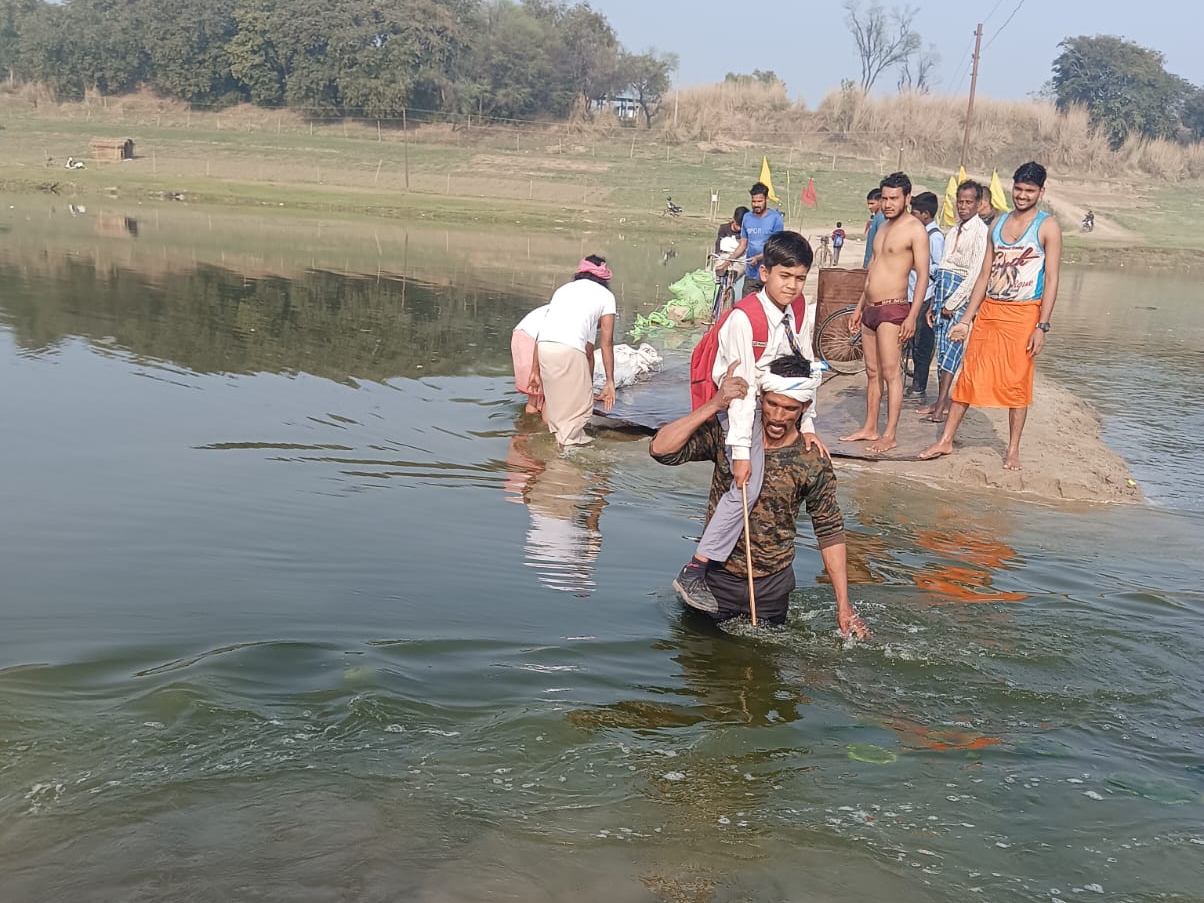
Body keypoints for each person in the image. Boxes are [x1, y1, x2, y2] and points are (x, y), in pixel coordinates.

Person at [651, 354, 868, 638]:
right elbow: (661, 450)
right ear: (761, 397)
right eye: (772, 404)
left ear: (805, 406)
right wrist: (716, 404)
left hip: (771, 588)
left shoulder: (811, 459)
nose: (778, 417)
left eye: (789, 409)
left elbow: (829, 530)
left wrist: (844, 605)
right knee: (700, 667)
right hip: (714, 582)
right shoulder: (732, 437)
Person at [673, 232, 828, 614]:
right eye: (784, 276)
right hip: (741, 405)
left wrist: (808, 424)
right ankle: (697, 568)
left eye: (800, 278)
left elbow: (806, 365)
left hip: (780, 398)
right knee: (750, 482)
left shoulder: (801, 310)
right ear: (764, 271)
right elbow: (740, 393)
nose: (792, 286)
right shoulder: (745, 320)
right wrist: (740, 452)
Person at [919, 161, 1063, 470]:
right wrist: (965, 319)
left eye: (1030, 191)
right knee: (969, 375)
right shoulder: (996, 225)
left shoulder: (1047, 226)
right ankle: (945, 441)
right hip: (990, 312)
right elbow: (984, 274)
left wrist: (1042, 326)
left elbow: (1051, 279)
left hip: (1024, 314)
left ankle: (1012, 450)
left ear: (1041, 191)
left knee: (1018, 383)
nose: (1022, 196)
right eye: (1019, 189)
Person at [840, 172, 930, 454]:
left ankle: (890, 433)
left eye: (894, 198)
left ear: (907, 198)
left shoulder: (915, 230)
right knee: (871, 372)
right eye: (884, 198)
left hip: (894, 308)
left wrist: (913, 315)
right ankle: (870, 426)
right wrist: (858, 308)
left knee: (892, 373)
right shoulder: (880, 228)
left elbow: (924, 277)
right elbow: (872, 272)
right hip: (870, 309)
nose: (888, 203)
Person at [917, 180, 990, 423]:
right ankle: (941, 400)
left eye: (969, 202)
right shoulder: (953, 230)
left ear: (979, 204)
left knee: (951, 350)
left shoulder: (980, 232)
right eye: (960, 201)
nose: (963, 206)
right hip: (941, 290)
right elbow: (944, 265)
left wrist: (953, 302)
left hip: (959, 295)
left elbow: (976, 273)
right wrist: (933, 304)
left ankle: (940, 406)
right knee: (940, 348)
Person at [528, 256, 617, 447]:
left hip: (544, 346)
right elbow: (607, 342)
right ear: (604, 278)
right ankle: (566, 451)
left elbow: (542, 330)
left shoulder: (563, 290)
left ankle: (552, 444)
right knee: (582, 407)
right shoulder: (605, 296)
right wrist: (610, 381)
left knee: (555, 402)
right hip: (569, 349)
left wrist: (534, 370)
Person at [904, 191, 945, 402]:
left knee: (922, 344)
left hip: (926, 296)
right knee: (912, 342)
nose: (912, 215)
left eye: (915, 212)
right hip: (911, 294)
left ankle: (919, 386)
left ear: (926, 215)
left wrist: (919, 265)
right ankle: (914, 382)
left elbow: (940, 269)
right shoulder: (920, 234)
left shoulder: (935, 237)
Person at [730, 183, 784, 294]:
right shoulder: (747, 217)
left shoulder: (775, 218)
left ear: (766, 199)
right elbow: (743, 245)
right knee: (747, 306)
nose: (756, 205)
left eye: (759, 201)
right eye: (754, 201)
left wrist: (758, 258)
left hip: (769, 273)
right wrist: (730, 259)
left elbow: (775, 247)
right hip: (752, 273)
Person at [512, 304, 549, 414]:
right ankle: (540, 429)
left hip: (521, 333)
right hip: (533, 338)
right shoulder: (586, 314)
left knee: (534, 396)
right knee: (549, 396)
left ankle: (529, 426)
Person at [863, 188, 885, 267]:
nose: (869, 207)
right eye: (868, 204)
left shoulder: (882, 218)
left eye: (872, 203)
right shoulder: (876, 217)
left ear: (881, 202)